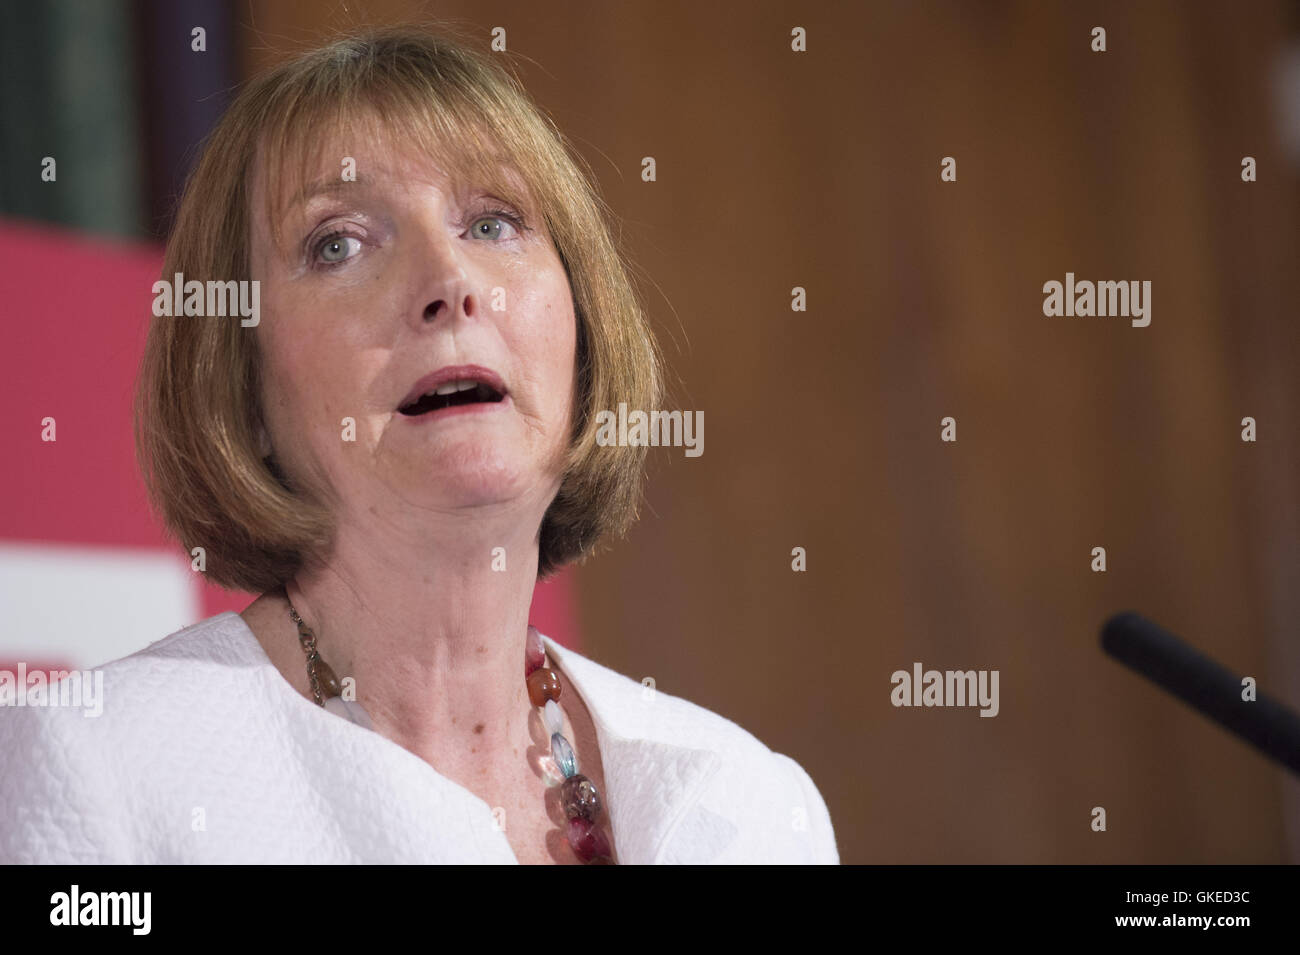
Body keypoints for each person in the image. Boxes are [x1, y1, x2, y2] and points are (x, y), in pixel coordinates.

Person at [0, 25, 838, 864]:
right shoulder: (100, 773)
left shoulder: (754, 800)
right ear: (241, 379)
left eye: (494, 224)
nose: (450, 283)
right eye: (339, 243)